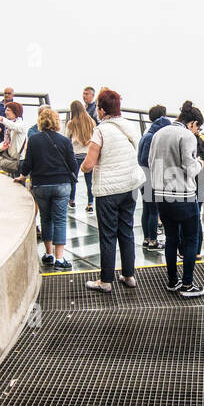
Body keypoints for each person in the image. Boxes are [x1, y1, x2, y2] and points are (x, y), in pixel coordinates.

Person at [81, 88, 144, 292]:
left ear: (101, 110)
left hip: (108, 191)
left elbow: (89, 164)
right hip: (129, 186)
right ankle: (129, 275)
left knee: (108, 234)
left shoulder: (100, 131)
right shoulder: (130, 126)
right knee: (126, 231)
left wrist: (82, 167)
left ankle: (106, 280)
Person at [148, 103, 204, 297]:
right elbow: (190, 170)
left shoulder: (159, 133)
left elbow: (150, 162)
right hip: (183, 197)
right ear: (193, 123)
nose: (198, 132)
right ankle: (188, 285)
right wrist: (199, 163)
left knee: (171, 239)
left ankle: (172, 281)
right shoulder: (187, 136)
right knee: (190, 240)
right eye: (198, 128)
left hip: (161, 195)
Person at [19, 106, 79, 270]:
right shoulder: (64, 141)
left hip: (40, 185)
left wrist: (22, 176)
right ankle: (60, 259)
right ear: (56, 122)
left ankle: (49, 254)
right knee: (59, 220)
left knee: (45, 219)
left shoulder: (34, 140)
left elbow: (27, 164)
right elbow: (73, 165)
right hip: (61, 185)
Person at [136, 104, 171, 250]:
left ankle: (146, 238)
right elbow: (146, 159)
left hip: (143, 178)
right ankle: (153, 241)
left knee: (146, 209)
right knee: (153, 211)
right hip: (150, 178)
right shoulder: (153, 138)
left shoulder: (146, 134)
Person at [65, 100, 96, 213]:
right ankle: (90, 203)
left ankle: (72, 201)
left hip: (75, 155)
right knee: (89, 181)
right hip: (88, 154)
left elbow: (66, 139)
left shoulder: (71, 123)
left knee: (73, 179)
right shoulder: (91, 122)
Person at [0, 101, 29, 175]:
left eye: (8, 110)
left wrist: (1, 119)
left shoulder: (21, 124)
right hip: (11, 158)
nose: (6, 112)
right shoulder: (9, 125)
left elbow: (15, 127)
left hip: (20, 159)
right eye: (5, 110)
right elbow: (7, 141)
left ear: (15, 112)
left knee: (18, 183)